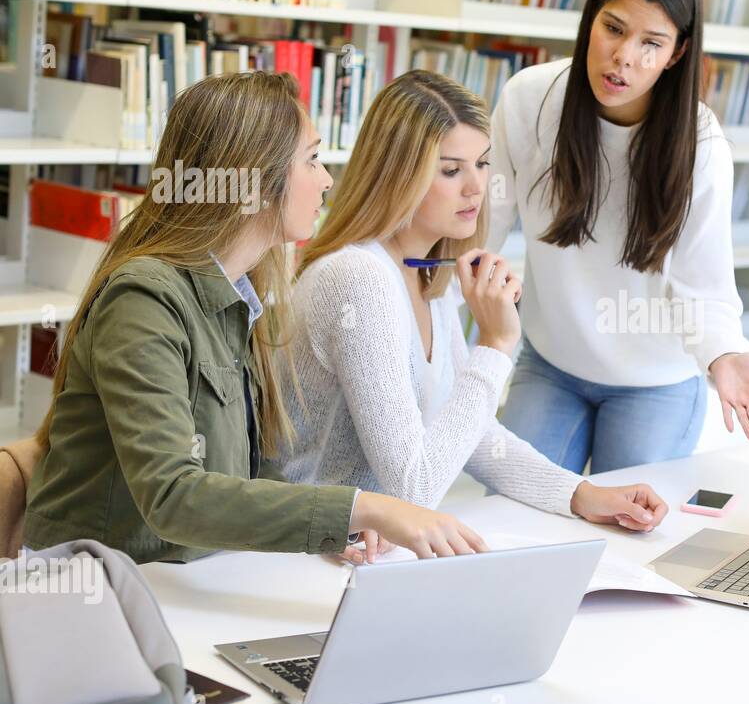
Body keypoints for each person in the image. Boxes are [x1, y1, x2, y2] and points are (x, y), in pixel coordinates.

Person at [24, 72, 483, 564]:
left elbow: (242, 473)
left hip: (187, 575)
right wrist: (361, 508)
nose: (328, 179)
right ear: (254, 180)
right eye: (311, 159)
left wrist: (335, 529)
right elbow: (173, 496)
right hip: (95, 584)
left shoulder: (237, 295)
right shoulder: (142, 300)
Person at [283, 70, 669, 547]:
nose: (476, 187)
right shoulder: (358, 278)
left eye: (483, 164)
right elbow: (414, 488)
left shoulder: (429, 273)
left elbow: (474, 435)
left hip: (367, 552)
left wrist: (581, 493)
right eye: (450, 170)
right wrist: (496, 344)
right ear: (397, 176)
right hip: (300, 553)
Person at [487, 0, 749, 473]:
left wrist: (724, 355)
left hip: (654, 383)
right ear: (591, 22)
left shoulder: (701, 146)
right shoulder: (529, 99)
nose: (624, 57)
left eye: (651, 43)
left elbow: (706, 286)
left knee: (629, 528)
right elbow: (479, 229)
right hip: (550, 362)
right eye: (614, 28)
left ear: (676, 54)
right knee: (517, 517)